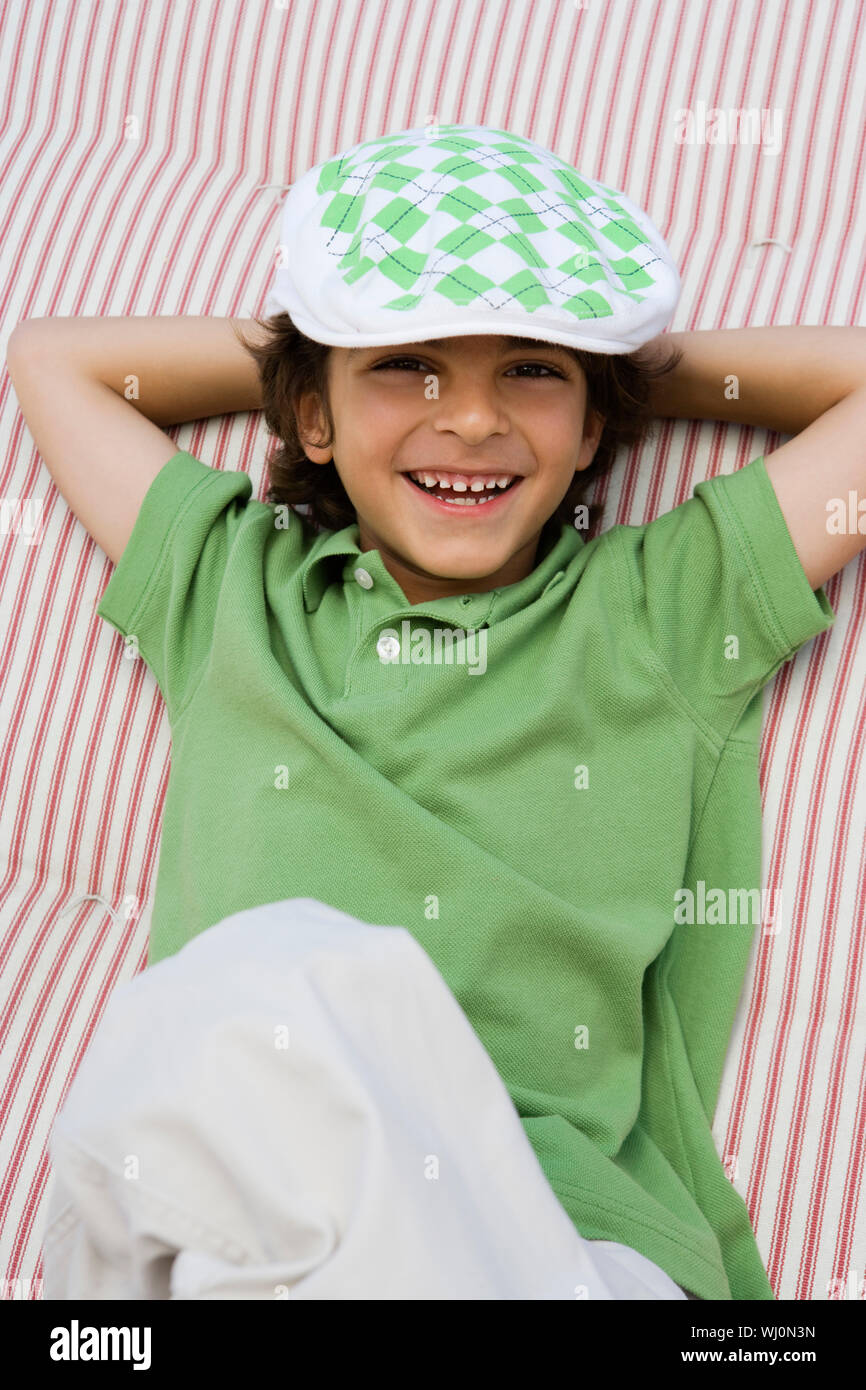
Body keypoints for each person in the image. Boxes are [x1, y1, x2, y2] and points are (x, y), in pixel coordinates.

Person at [11, 122, 857, 1300]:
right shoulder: (232, 590)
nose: (468, 420)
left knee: (252, 982)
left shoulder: (657, 609)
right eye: (406, 363)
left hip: (548, 1239)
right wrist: (313, 355)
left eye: (529, 370)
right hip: (239, 1202)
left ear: (594, 423)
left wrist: (615, 364)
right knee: (228, 1009)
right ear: (309, 418)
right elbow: (50, 360)